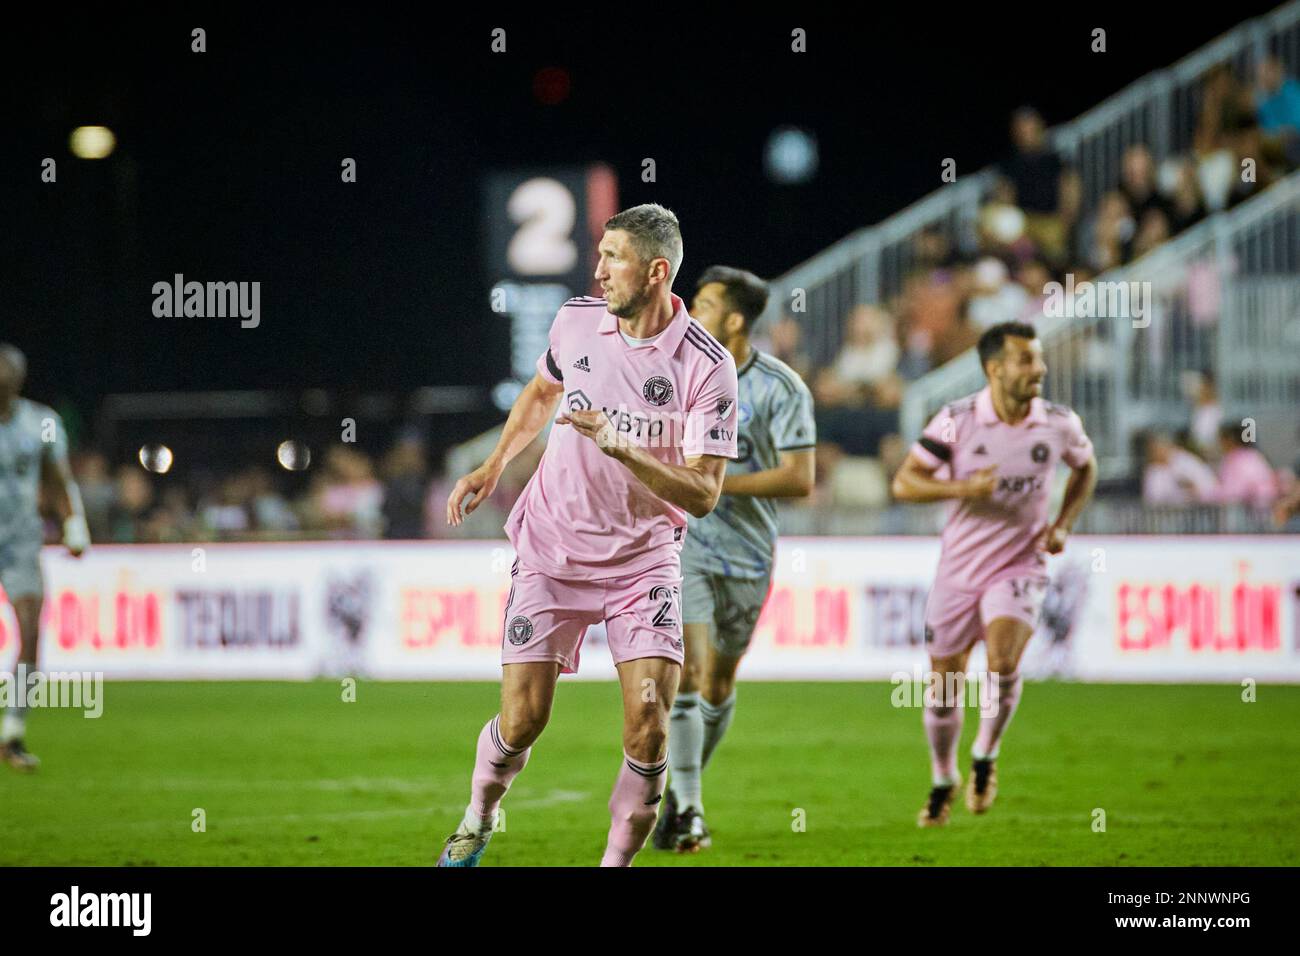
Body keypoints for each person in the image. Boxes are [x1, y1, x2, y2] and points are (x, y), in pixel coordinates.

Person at [435, 204, 739, 867]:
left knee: (650, 727)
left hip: (644, 563)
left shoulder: (705, 367)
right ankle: (477, 818)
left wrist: (624, 447)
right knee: (521, 721)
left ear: (657, 272)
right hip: (551, 548)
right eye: (598, 254)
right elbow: (543, 392)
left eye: (613, 258)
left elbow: (705, 494)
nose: (597, 270)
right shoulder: (576, 320)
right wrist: (495, 464)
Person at [891, 322, 1096, 826]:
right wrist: (963, 488)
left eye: (1038, 359)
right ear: (994, 368)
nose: (1039, 369)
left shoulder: (1058, 423)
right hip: (958, 570)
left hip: (1020, 563)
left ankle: (984, 755)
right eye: (1026, 360)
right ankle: (943, 779)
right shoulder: (956, 421)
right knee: (944, 684)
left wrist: (1064, 525)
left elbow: (1086, 468)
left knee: (1003, 661)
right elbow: (905, 483)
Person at [654, 266, 815, 852]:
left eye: (705, 302)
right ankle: (692, 808)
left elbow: (801, 478)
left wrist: (717, 483)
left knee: (719, 683)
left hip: (749, 555)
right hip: (684, 548)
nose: (691, 310)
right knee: (689, 675)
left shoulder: (780, 388)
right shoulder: (672, 374)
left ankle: (680, 790)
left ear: (736, 320)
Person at [0, 344, 91, 770]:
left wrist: (74, 526)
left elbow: (59, 478)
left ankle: (12, 733)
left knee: (31, 633)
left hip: (20, 542)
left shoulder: (44, 423)